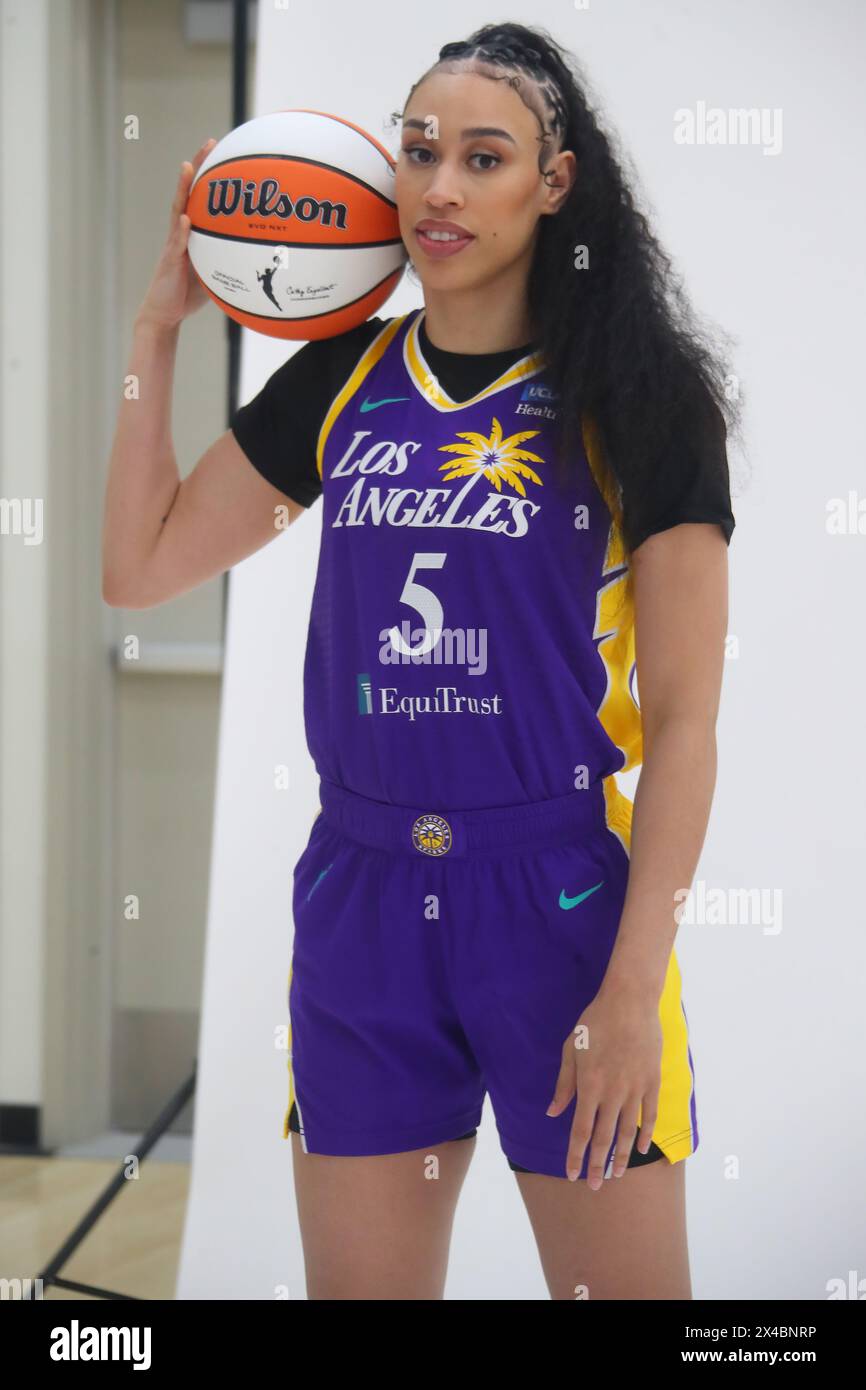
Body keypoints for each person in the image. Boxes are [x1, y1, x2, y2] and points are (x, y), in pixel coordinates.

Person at [102, 21, 737, 1301]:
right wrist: (159, 332)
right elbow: (141, 567)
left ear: (552, 185)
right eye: (418, 150)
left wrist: (630, 991)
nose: (438, 188)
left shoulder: (639, 397)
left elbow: (682, 724)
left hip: (557, 906)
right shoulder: (344, 377)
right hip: (361, 899)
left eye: (483, 157)